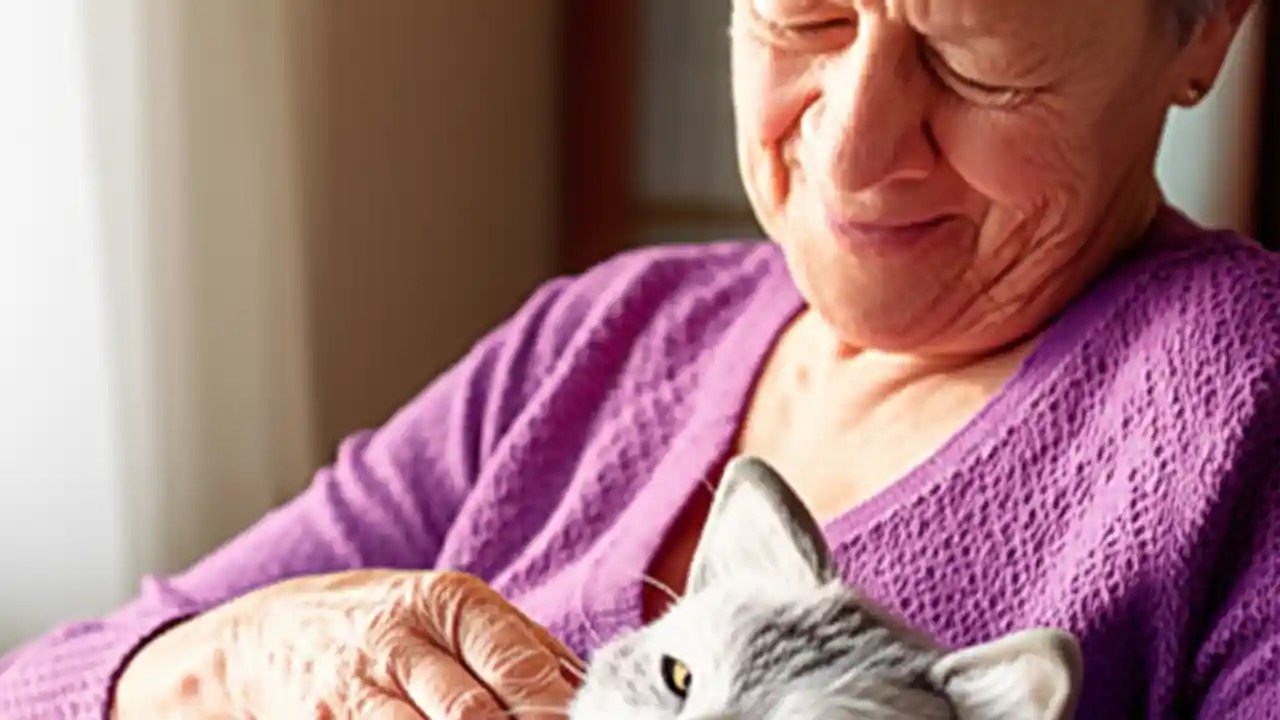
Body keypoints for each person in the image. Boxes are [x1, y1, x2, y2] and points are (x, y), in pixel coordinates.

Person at [3, 0, 1277, 717]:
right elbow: (46, 690)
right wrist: (228, 665)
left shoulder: (1240, 414)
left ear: (1203, 28)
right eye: (804, 15)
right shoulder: (603, 338)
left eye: (971, 63)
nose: (847, 151)